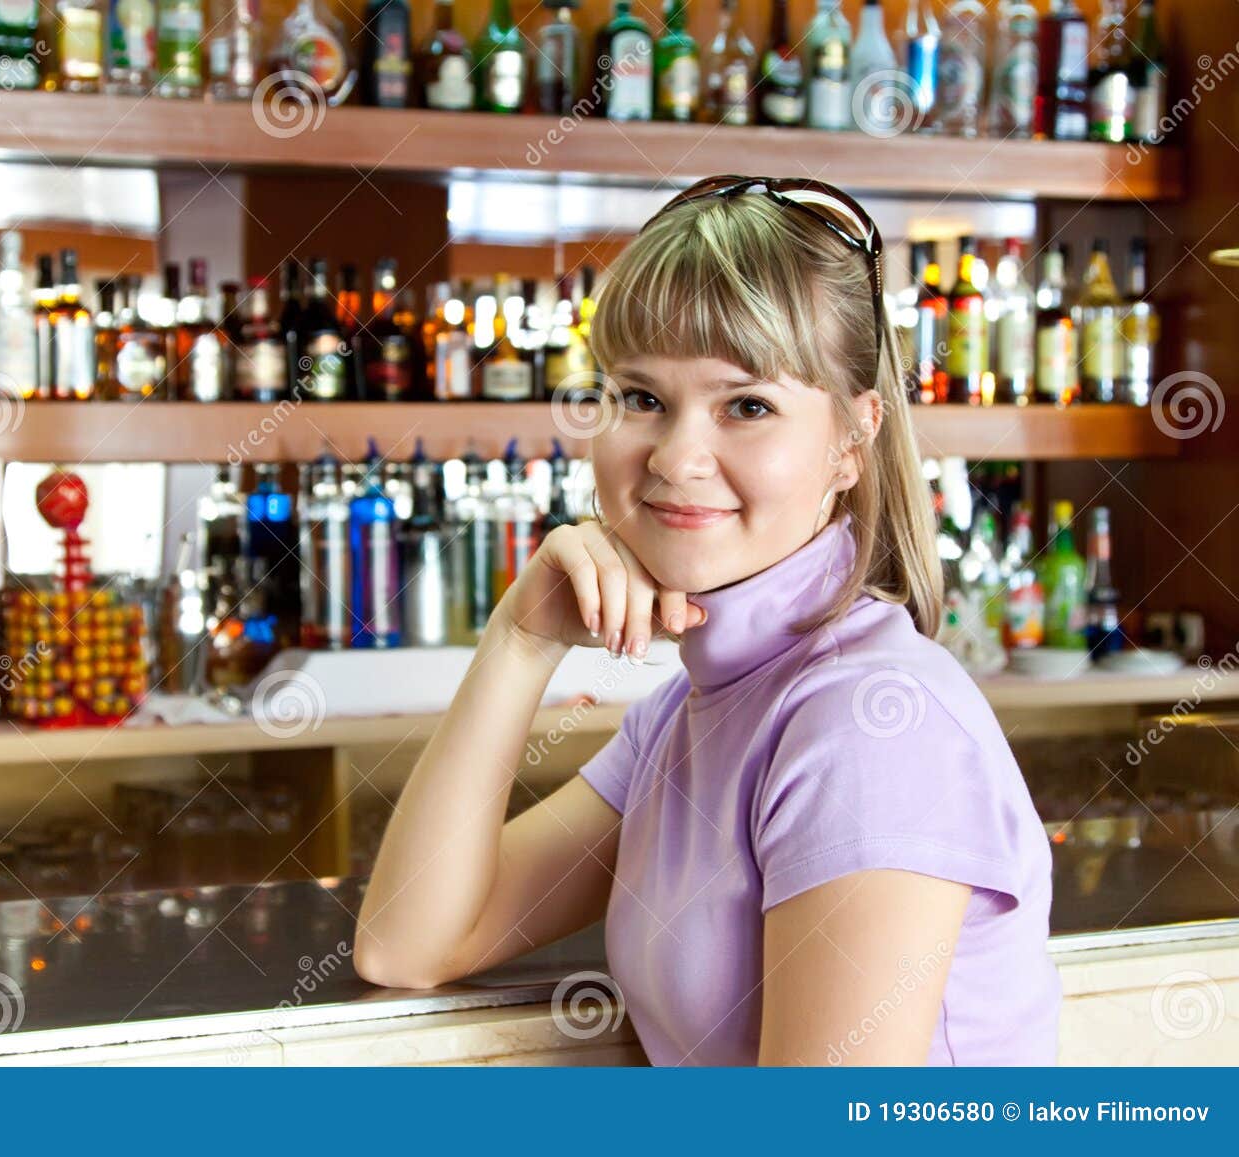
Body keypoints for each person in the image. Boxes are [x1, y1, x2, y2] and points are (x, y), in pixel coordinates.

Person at [351, 175, 1061, 1065]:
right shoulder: (692, 711)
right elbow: (409, 943)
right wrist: (519, 641)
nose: (677, 457)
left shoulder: (870, 723)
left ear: (852, 440)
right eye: (642, 398)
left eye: (748, 405)